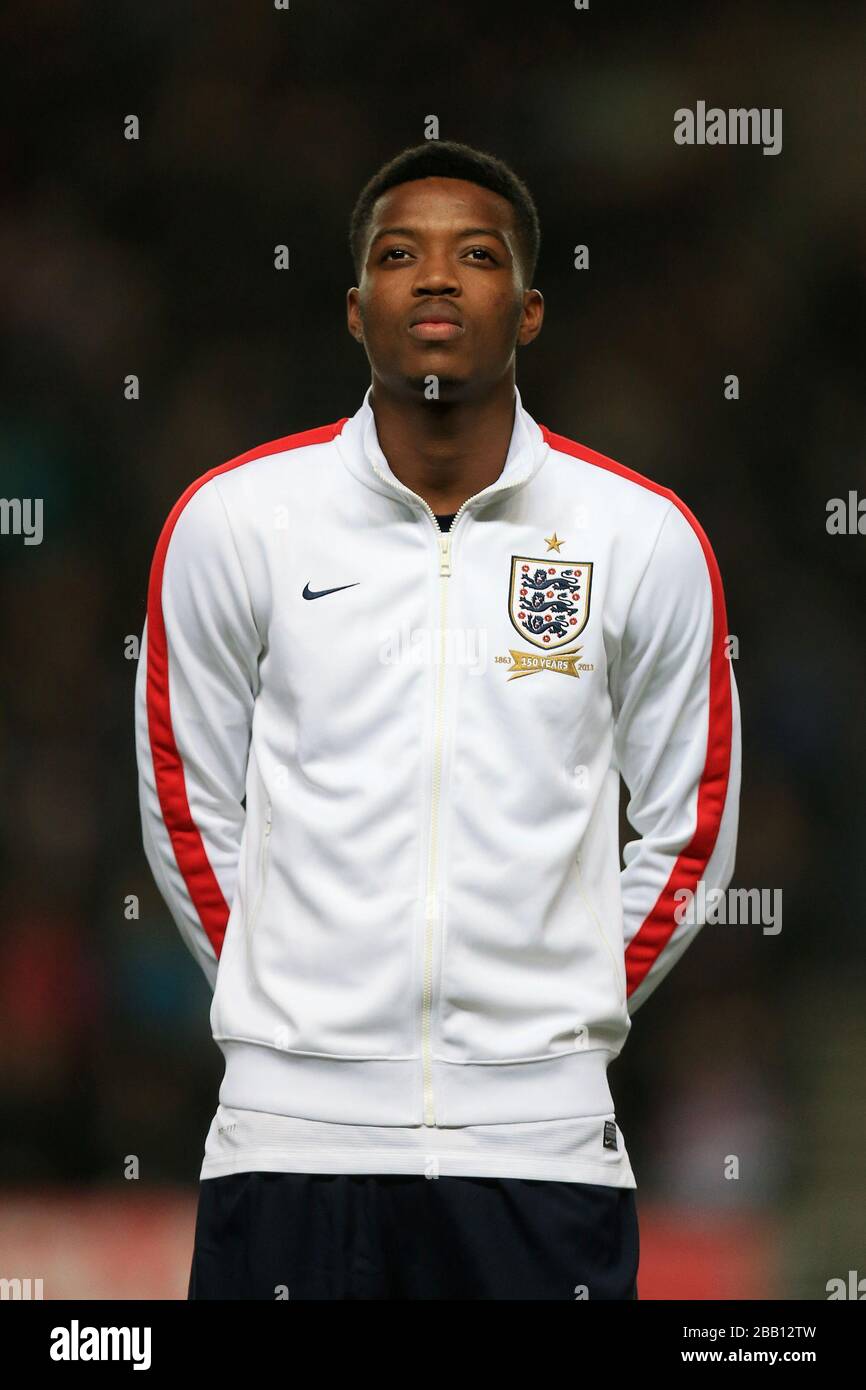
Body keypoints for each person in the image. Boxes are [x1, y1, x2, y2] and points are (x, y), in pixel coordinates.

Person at [134, 139, 741, 1300]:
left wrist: (550, 1023)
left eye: (475, 255)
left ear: (528, 310)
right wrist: (291, 1012)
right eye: (398, 254)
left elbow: (690, 827)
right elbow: (183, 795)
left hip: (540, 1150)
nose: (434, 279)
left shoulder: (639, 535)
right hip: (287, 1139)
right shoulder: (235, 520)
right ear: (353, 307)